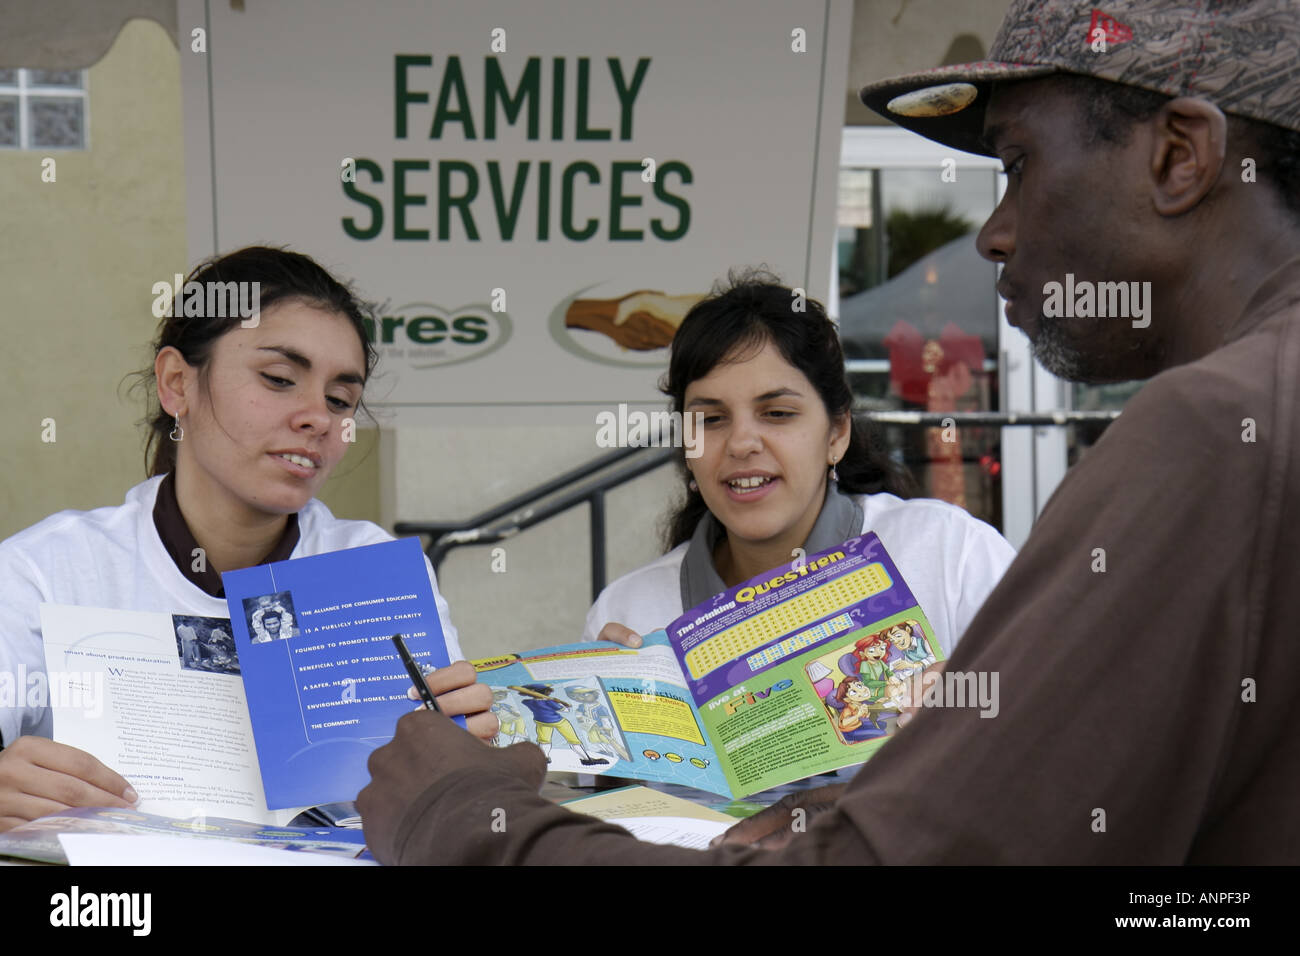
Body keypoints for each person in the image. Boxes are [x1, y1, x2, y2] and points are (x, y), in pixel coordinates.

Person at [357, 0, 1300, 865]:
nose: (993, 234)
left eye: (1015, 165)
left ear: (1182, 155)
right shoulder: (1246, 418)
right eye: (710, 417)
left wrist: (462, 813)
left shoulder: (1214, 431)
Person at [0, 246, 493, 833]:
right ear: (177, 384)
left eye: (341, 400)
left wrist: (469, 762)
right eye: (279, 379)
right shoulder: (46, 571)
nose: (317, 416)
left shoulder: (370, 569)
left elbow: (444, 796)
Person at [585, 274, 1015, 659]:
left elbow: (1059, 719)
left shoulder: (950, 554)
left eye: (777, 413)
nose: (741, 443)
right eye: (712, 419)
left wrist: (961, 715)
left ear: (837, 433)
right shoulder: (628, 613)